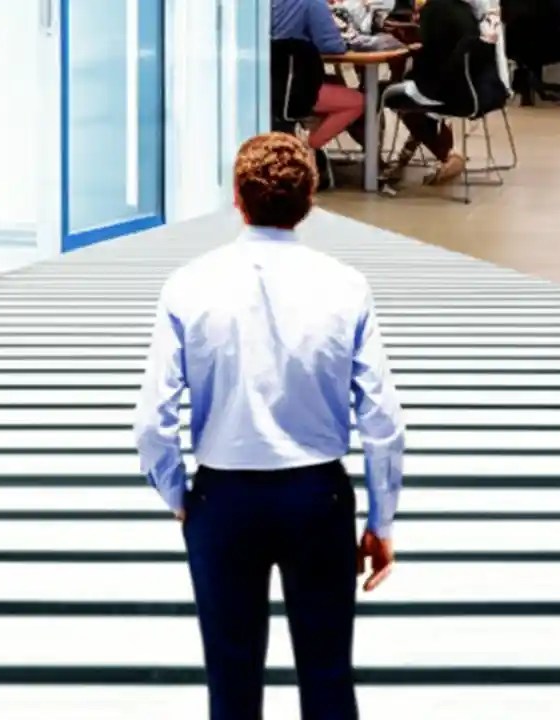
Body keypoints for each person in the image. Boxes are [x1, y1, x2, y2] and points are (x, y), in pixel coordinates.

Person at [135, 132, 406, 720]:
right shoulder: (346, 285)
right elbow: (382, 419)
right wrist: (381, 518)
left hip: (223, 498)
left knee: (231, 678)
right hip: (317, 496)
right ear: (310, 199)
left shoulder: (188, 284)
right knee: (328, 673)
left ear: (237, 197)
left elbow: (152, 420)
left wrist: (181, 497)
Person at [382, 0, 509, 186]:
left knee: (387, 94)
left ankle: (446, 153)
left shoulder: (434, 10)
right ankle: (443, 152)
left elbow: (431, 56)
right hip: (481, 89)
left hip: (449, 92)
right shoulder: (468, 11)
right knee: (405, 91)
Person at [273, 0, 366, 186]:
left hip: (268, 89)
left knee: (334, 83)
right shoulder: (312, 4)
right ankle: (309, 147)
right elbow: (332, 45)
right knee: (359, 101)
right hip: (296, 92)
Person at [502, 0, 560, 105]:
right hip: (545, 45)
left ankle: (528, 81)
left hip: (515, 44)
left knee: (530, 42)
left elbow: (505, 15)